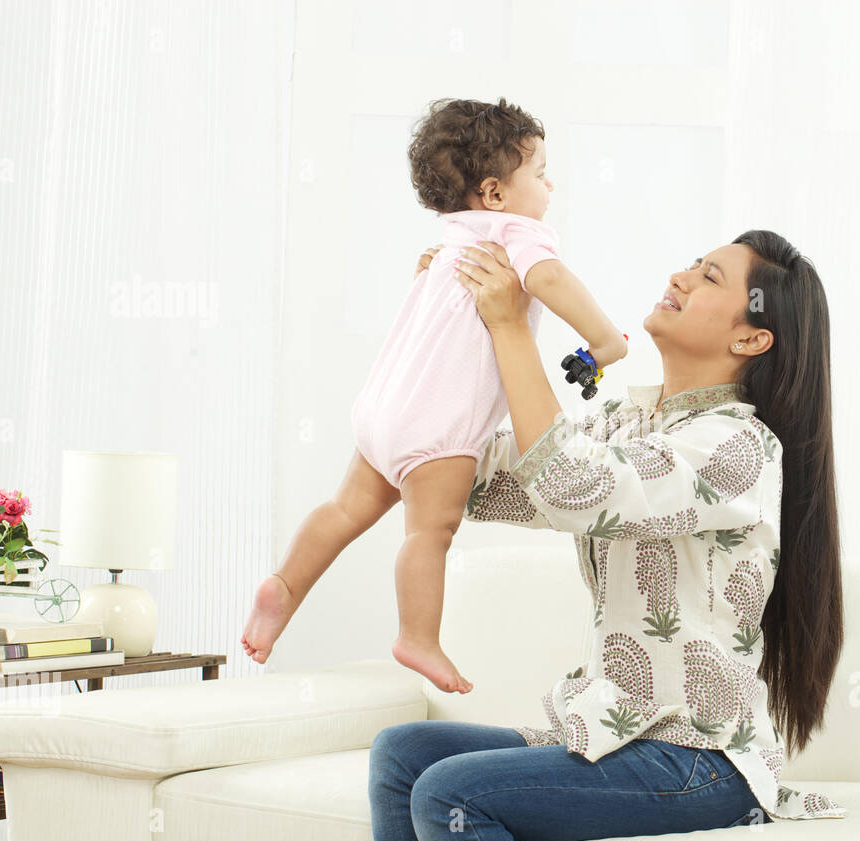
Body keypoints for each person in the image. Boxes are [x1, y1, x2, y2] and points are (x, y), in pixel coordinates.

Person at [366, 228, 847, 841]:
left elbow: (570, 485)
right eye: (693, 264)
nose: (680, 276)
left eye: (709, 278)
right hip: (614, 733)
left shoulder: (737, 447)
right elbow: (470, 482)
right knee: (403, 755)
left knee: (452, 794)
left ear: (751, 339)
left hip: (699, 761)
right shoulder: (624, 425)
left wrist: (511, 326)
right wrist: (444, 322)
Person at [238, 98, 627, 694]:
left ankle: (284, 587)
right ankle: (416, 635)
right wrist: (602, 340)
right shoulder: (518, 234)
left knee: (345, 511)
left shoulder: (453, 237)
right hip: (437, 428)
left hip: (383, 407)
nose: (552, 184)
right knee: (429, 533)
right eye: (541, 172)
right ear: (495, 193)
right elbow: (550, 281)